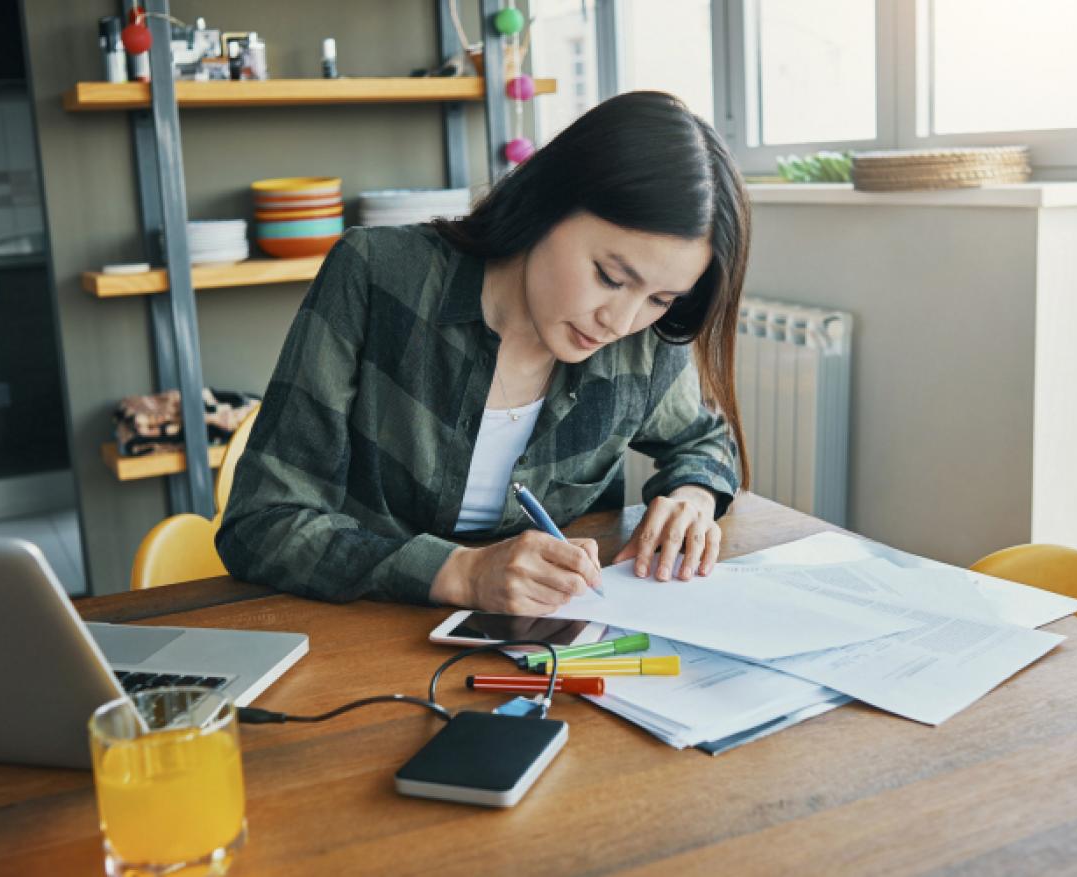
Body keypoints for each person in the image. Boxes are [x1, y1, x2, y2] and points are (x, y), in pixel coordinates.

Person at [217, 90, 751, 616]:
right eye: (610, 276)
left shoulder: (644, 342)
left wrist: (693, 498)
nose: (621, 321)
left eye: (661, 299)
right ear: (550, 203)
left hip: (557, 643)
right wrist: (460, 572)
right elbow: (262, 522)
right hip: (363, 634)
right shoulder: (379, 276)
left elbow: (704, 441)